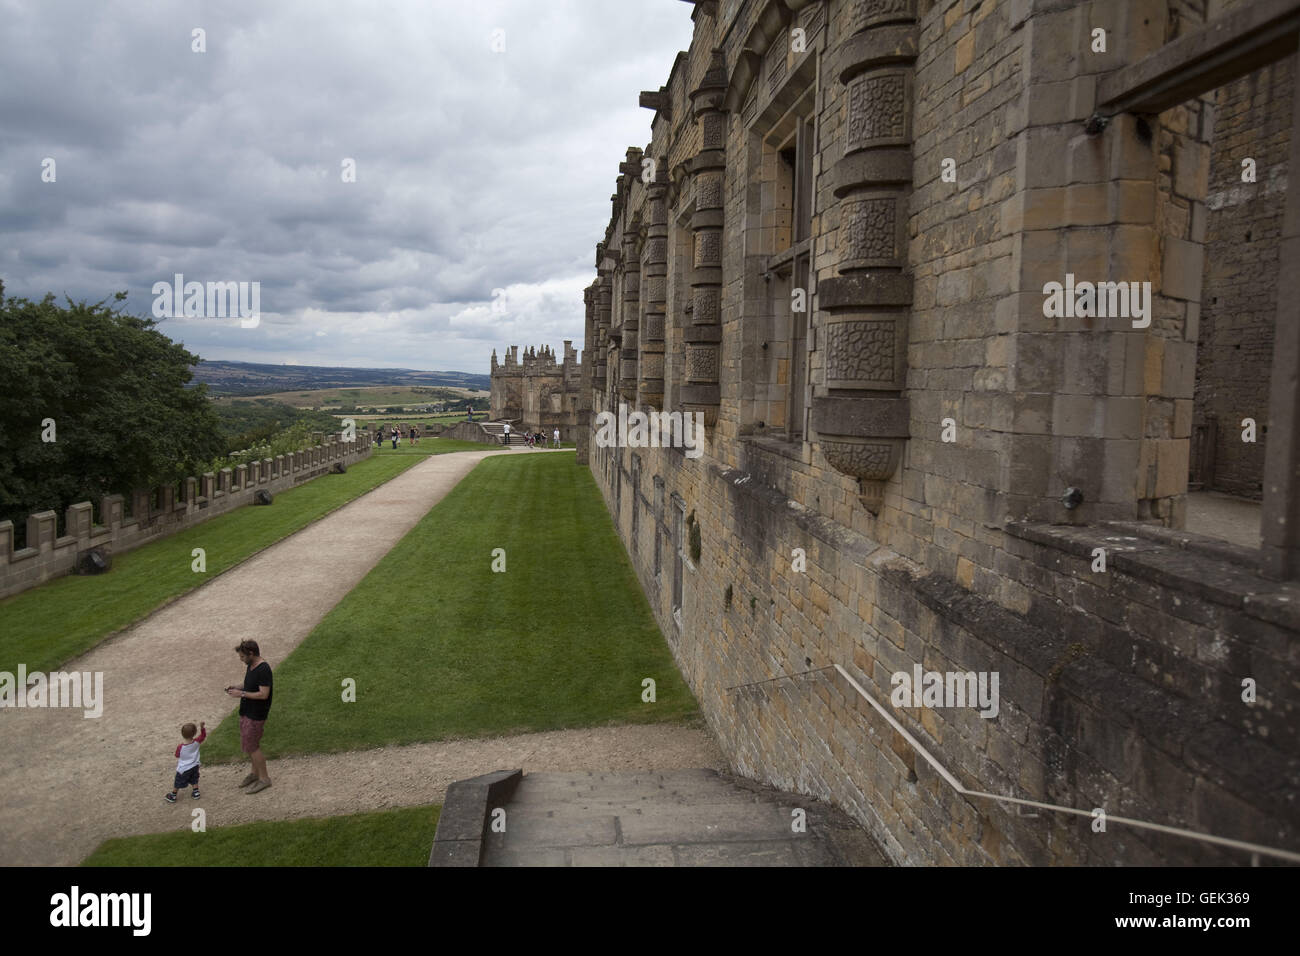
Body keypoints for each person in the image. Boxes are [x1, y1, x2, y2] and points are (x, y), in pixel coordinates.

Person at [226, 640, 273, 794]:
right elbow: (249, 683)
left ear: (251, 654)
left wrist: (241, 694)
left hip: (256, 714)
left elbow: (263, 694)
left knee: (252, 747)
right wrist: (237, 687)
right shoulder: (251, 665)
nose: (241, 659)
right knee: (249, 744)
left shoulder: (263, 669)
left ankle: (264, 779)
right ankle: (255, 773)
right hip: (247, 711)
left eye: (242, 656)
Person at [166, 720, 207, 803]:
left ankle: (173, 795)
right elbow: (203, 736)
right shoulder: (197, 742)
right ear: (194, 733)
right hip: (195, 765)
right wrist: (202, 728)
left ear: (182, 734)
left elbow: (177, 755)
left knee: (178, 781)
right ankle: (196, 792)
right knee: (194, 778)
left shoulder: (181, 747)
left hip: (184, 768)